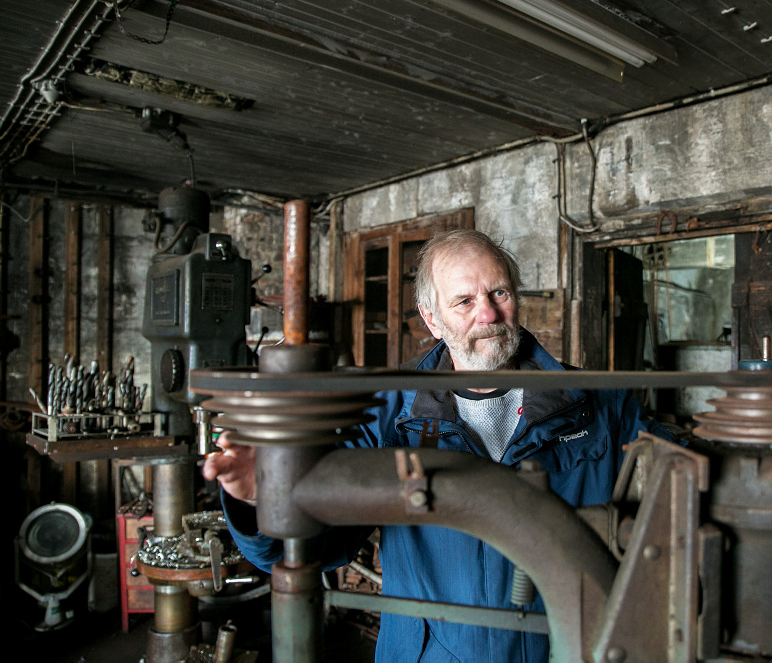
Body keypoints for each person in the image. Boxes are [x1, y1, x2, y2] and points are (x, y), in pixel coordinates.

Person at [204, 229, 674, 662]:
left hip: (567, 649)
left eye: (499, 293)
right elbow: (315, 546)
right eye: (464, 301)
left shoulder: (599, 405)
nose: (487, 314)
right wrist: (262, 494)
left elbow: (670, 501)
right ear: (432, 320)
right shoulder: (386, 413)